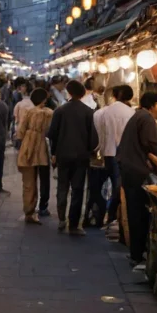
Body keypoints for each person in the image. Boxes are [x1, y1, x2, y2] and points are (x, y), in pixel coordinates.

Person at [46, 80, 99, 235]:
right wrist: (90, 152)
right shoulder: (89, 112)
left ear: (68, 92)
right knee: (77, 189)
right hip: (81, 157)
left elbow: (52, 135)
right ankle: (74, 224)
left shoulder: (60, 111)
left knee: (62, 187)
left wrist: (54, 153)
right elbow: (93, 139)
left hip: (62, 155)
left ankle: (62, 219)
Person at [117, 91, 157, 267]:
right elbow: (151, 145)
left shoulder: (139, 115)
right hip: (136, 171)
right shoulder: (147, 118)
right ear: (154, 104)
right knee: (138, 213)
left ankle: (137, 252)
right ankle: (137, 254)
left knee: (136, 211)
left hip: (129, 168)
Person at [96, 85, 136, 228]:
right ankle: (113, 215)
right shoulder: (131, 112)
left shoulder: (106, 112)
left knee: (109, 185)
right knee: (119, 186)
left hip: (107, 152)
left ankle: (104, 214)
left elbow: (102, 133)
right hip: (122, 154)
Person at [17, 88, 54, 223]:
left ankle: (29, 211)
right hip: (42, 147)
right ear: (44, 99)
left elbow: (20, 131)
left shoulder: (29, 112)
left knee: (28, 181)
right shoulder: (50, 113)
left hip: (28, 146)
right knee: (44, 178)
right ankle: (43, 206)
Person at [12, 78, 33, 149]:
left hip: (21, 133)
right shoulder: (35, 104)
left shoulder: (19, 105)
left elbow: (17, 121)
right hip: (33, 134)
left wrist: (16, 133)